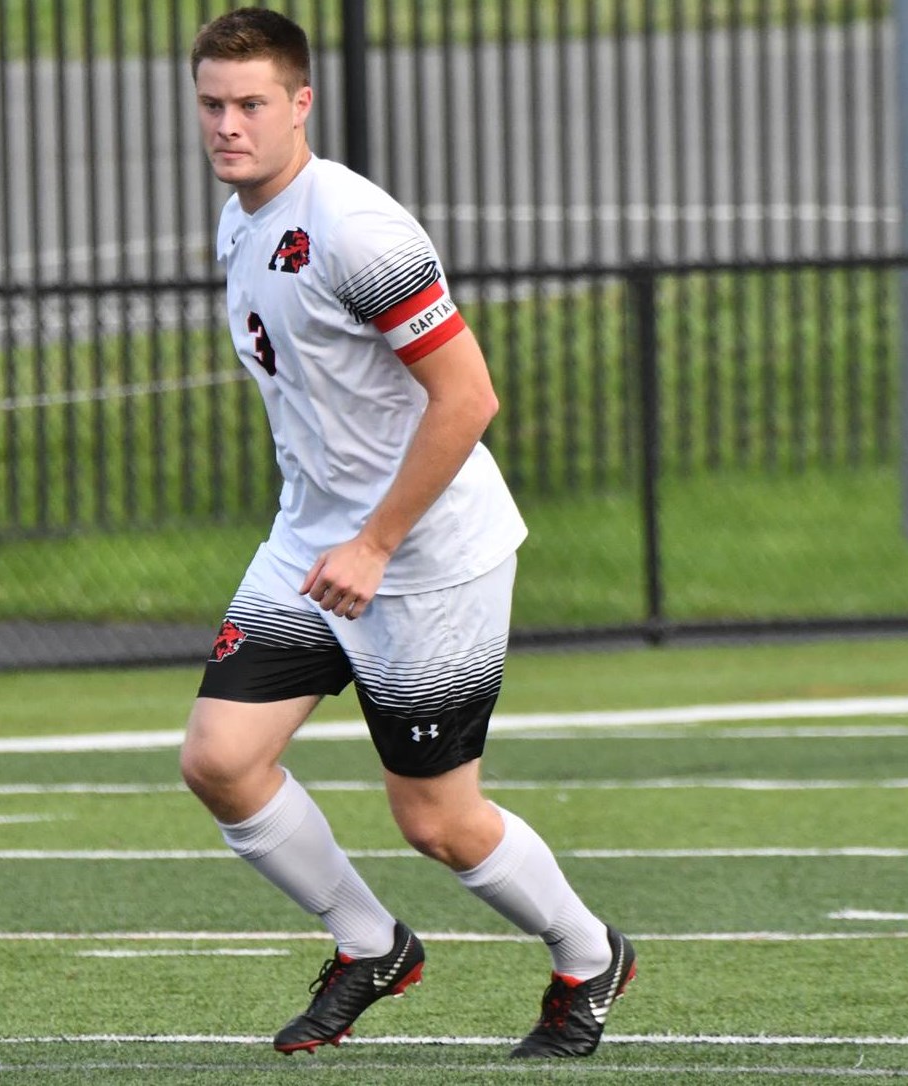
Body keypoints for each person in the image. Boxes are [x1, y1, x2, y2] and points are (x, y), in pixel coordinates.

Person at [178, 6, 635, 1061]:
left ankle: (586, 955)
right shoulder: (240, 221)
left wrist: (376, 542)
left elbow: (467, 398)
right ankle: (370, 944)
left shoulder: (357, 228)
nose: (228, 126)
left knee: (435, 822)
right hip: (313, 544)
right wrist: (335, 529)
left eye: (251, 104)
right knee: (220, 759)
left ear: (301, 103)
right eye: (211, 105)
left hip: (423, 558)